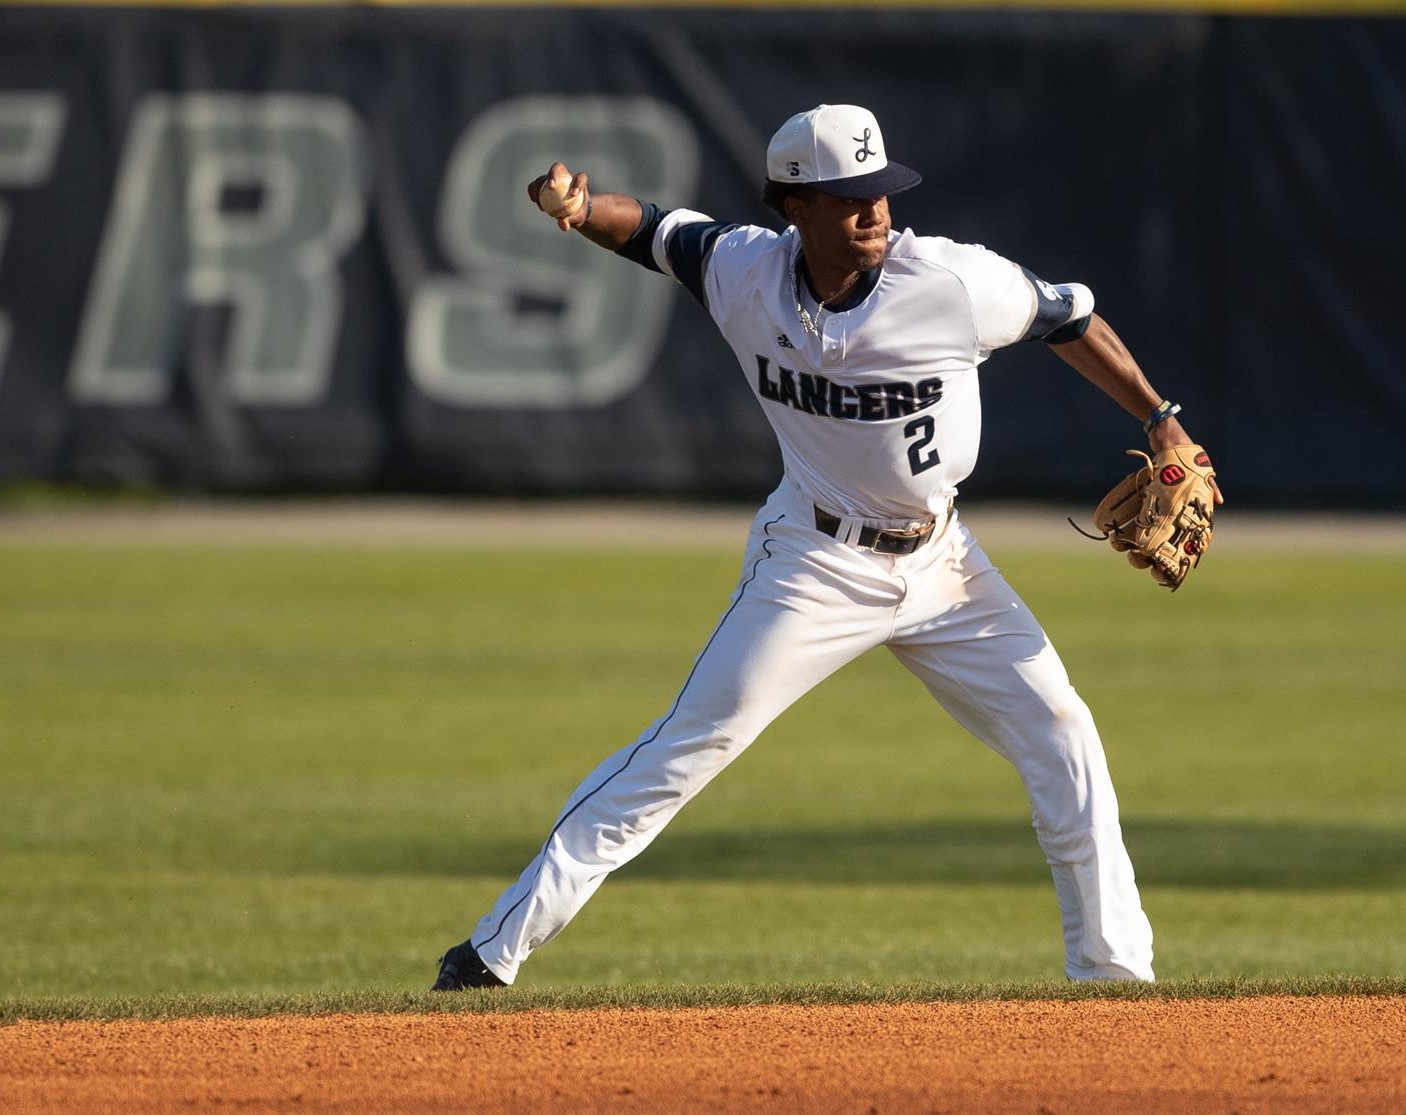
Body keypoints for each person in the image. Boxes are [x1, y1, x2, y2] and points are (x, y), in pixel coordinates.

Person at [431, 103, 1221, 991]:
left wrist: (1161, 423)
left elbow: (1071, 316)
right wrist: (577, 213)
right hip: (814, 562)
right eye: (849, 197)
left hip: (946, 565)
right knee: (686, 748)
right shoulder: (742, 270)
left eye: (880, 191)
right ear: (793, 207)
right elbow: (652, 230)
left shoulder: (955, 282)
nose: (874, 211)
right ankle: (488, 955)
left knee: (1063, 735)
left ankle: (1114, 979)